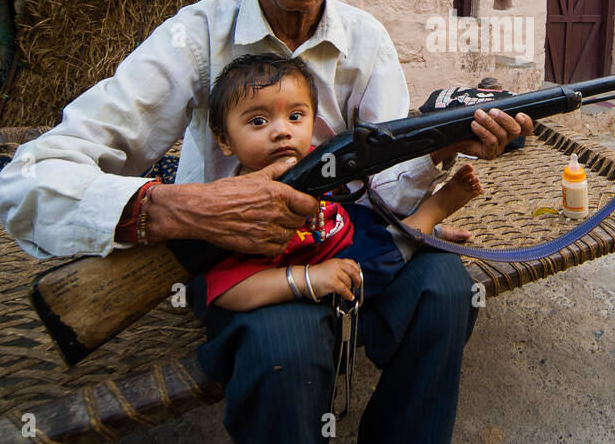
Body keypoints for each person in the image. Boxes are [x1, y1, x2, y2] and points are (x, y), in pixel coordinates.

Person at [0, 0, 533, 444]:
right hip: (233, 260)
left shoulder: (367, 39)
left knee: (445, 290)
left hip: (343, 236)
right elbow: (25, 182)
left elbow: (384, 184)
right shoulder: (195, 36)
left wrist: (439, 152)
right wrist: (182, 209)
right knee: (288, 343)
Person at [199, 50, 484, 313]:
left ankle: (419, 231)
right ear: (223, 139)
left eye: (295, 116)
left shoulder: (316, 161)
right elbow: (227, 289)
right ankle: (426, 219)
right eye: (259, 121)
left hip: (343, 231)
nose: (282, 131)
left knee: (370, 211)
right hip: (332, 268)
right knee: (367, 263)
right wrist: (308, 278)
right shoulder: (238, 205)